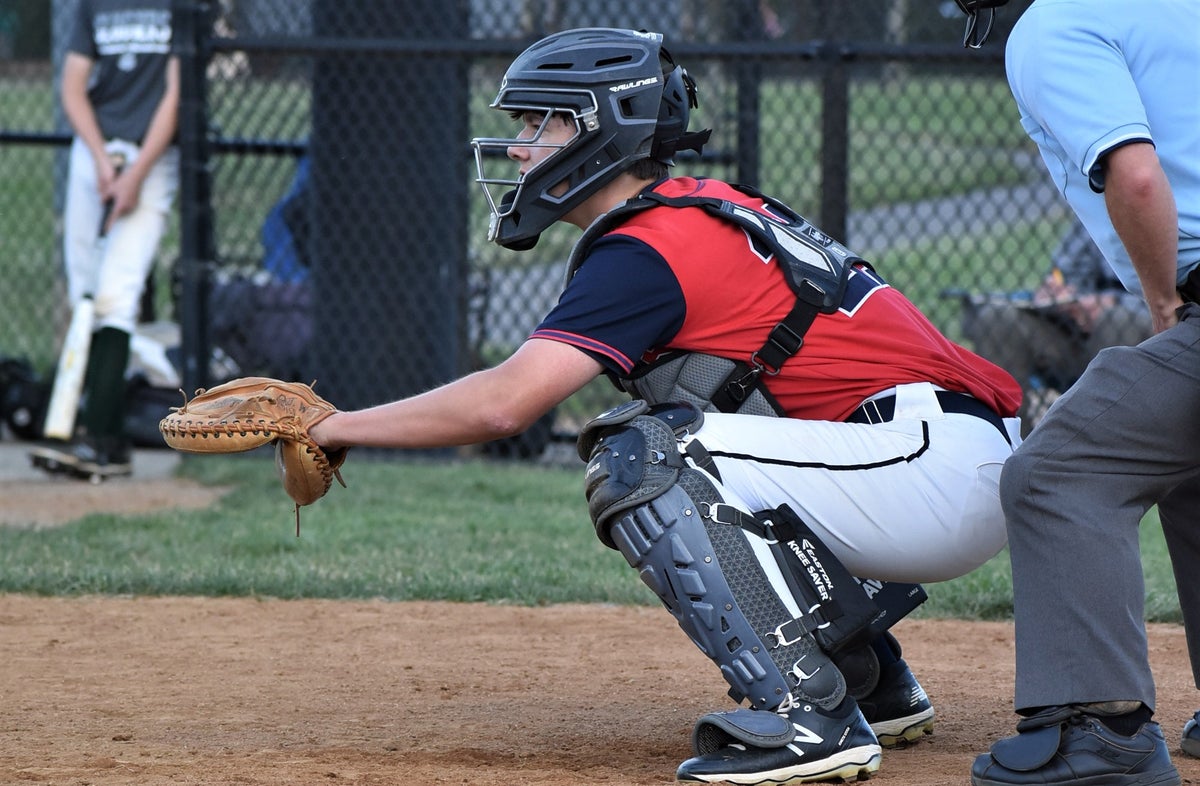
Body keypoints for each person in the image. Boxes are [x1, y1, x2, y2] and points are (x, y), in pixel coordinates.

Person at [307, 28, 1022, 784]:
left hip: (923, 465)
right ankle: (871, 686)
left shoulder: (650, 248)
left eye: (539, 123)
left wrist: (334, 426)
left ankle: (807, 718)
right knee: (701, 442)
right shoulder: (690, 215)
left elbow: (504, 406)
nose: (518, 148)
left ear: (599, 131)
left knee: (648, 455)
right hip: (938, 456)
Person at [965, 2, 1200, 785]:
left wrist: (1166, 305)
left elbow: (1135, 177)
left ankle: (1102, 734)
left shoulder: (1050, 25)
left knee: (1060, 475)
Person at [30, 0, 180, 479]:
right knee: (85, 293)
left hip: (152, 158)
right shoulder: (94, 4)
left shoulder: (181, 6)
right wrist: (99, 158)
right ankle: (95, 433)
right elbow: (73, 87)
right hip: (93, 153)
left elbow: (176, 96)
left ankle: (101, 440)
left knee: (117, 290)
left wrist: (135, 174)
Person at [963, 219, 1153, 433]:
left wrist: (1113, 302)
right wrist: (1058, 293)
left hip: (1146, 332)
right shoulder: (1096, 205)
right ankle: (1014, 447)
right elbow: (1064, 272)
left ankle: (1105, 446)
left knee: (1115, 320)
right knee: (996, 318)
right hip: (1075, 333)